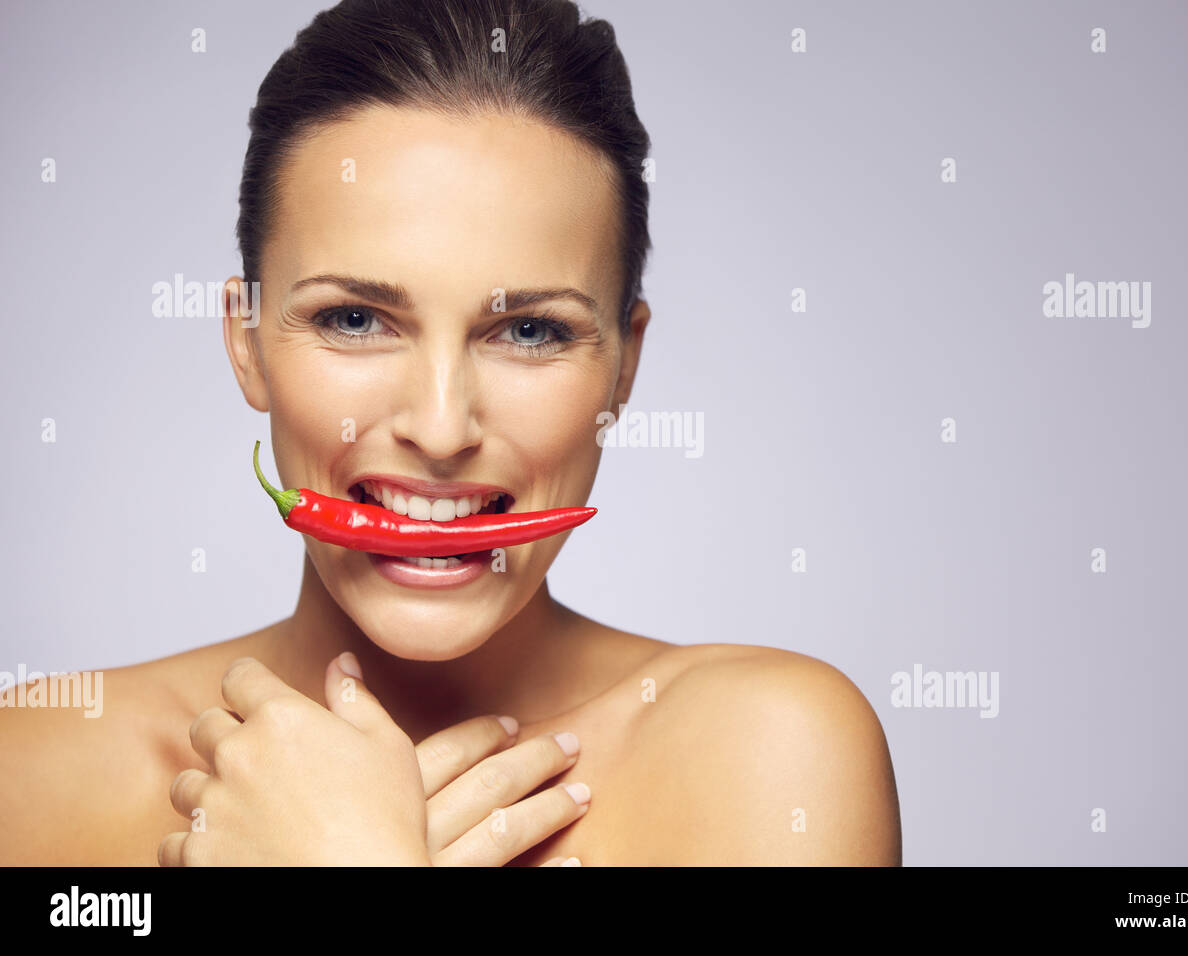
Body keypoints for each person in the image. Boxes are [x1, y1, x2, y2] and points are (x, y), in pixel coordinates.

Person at [0, 0, 901, 866]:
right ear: (247, 344)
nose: (439, 429)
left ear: (623, 368)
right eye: (355, 319)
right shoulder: (34, 769)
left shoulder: (771, 755)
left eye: (530, 331)